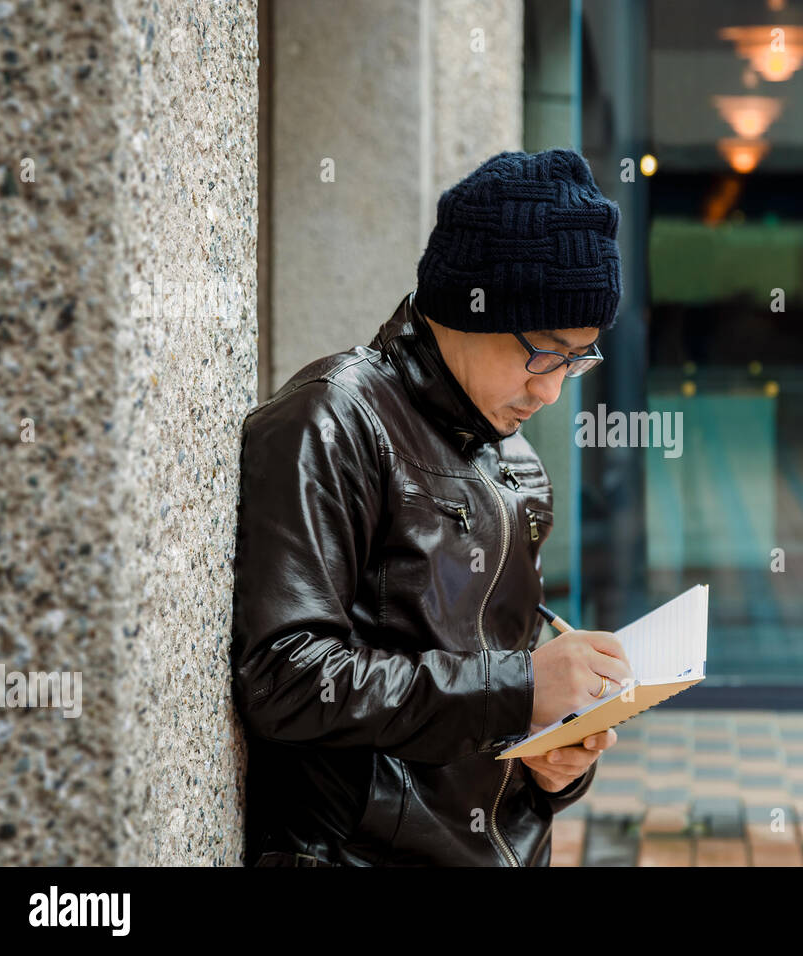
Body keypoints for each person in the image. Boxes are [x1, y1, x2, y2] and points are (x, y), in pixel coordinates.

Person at [230, 148, 630, 866]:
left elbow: (491, 697)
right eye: (545, 353)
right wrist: (520, 689)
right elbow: (285, 678)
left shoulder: (517, 461)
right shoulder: (330, 421)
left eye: (579, 359)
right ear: (470, 306)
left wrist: (553, 764)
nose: (552, 392)